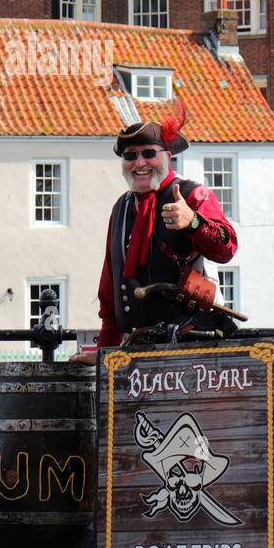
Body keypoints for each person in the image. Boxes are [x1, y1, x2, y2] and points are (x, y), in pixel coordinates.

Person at [71, 109, 237, 361]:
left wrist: (193, 222)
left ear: (167, 157)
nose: (139, 163)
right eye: (130, 156)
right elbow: (111, 287)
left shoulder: (192, 195)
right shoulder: (122, 208)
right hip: (139, 348)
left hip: (194, 347)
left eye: (149, 153)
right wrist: (105, 351)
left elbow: (227, 248)